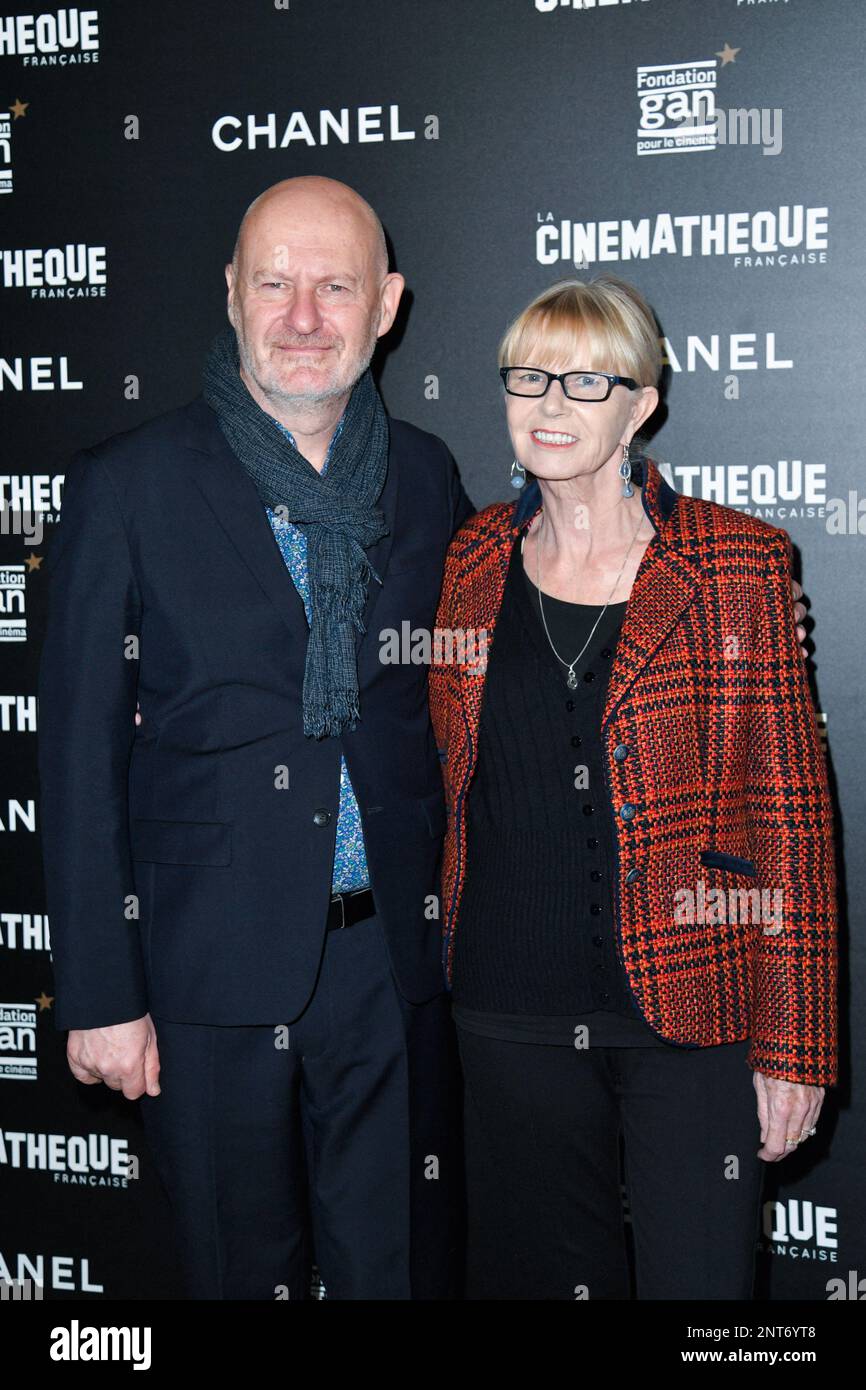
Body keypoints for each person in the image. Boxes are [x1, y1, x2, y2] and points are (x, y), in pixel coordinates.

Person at [36, 175, 475, 1300]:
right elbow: (79, 758)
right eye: (273, 283)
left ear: (387, 307)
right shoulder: (124, 486)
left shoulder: (424, 476)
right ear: (230, 294)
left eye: (335, 287)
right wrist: (98, 990)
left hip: (388, 963)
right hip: (201, 965)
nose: (301, 317)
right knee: (238, 1275)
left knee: (398, 1273)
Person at [428, 275, 837, 1300]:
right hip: (505, 1008)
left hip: (689, 1009)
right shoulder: (470, 557)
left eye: (585, 380)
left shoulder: (737, 562)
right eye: (527, 376)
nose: (550, 404)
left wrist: (796, 1045)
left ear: (640, 402)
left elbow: (789, 819)